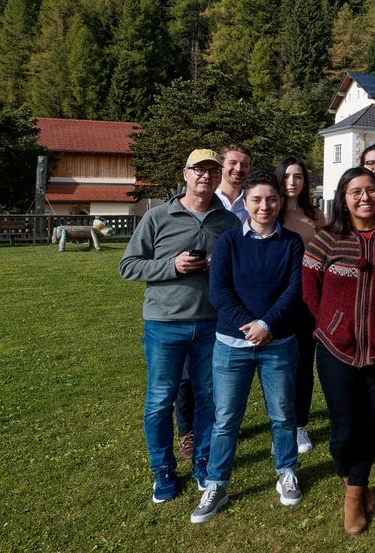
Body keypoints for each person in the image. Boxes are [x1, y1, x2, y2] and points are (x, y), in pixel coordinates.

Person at [119, 149, 240, 504]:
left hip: (212, 324)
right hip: (164, 323)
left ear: (219, 178)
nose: (206, 176)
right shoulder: (158, 217)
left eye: (212, 171)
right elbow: (128, 266)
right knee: (160, 400)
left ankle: (202, 461)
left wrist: (220, 266)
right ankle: (164, 470)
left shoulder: (228, 223)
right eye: (199, 170)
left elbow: (242, 271)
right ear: (184, 174)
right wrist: (172, 265)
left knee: (209, 398)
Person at [191, 171, 307, 523]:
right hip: (231, 343)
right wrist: (249, 325)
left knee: (283, 414)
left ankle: (286, 471)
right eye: (256, 199)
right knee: (226, 419)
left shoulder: (291, 243)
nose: (264, 206)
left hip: (278, 341)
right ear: (245, 202)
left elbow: (294, 289)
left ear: (279, 202)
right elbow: (219, 291)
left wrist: (267, 324)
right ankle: (217, 483)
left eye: (271, 199)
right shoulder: (228, 241)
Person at [303, 167, 375, 536]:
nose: (365, 197)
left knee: (370, 424)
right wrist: (331, 326)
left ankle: (353, 496)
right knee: (343, 426)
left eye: (371, 190)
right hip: (336, 349)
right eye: (355, 191)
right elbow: (310, 290)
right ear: (343, 198)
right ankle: (352, 478)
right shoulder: (326, 240)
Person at [276, 156, 327, 455]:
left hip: (309, 300)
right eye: (286, 177)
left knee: (304, 365)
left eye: (298, 177)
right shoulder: (271, 213)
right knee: (279, 366)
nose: (292, 182)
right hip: (280, 300)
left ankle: (299, 425)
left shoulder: (314, 215)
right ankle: (280, 425)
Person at [215, 144, 252, 223]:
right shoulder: (209, 198)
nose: (238, 169)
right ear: (220, 166)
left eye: (244, 165)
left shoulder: (252, 201)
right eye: (232, 163)